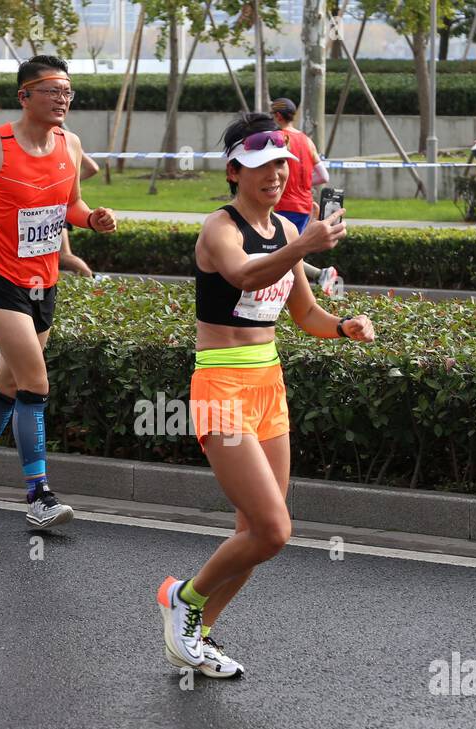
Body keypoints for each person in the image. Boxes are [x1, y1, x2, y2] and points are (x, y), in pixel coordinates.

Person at [157, 113, 374, 678]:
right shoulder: (219, 229)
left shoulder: (283, 232)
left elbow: (304, 313)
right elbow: (245, 277)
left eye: (281, 163)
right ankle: (184, 597)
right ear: (234, 171)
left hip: (267, 385)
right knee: (274, 530)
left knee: (252, 533)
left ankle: (197, 635)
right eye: (260, 166)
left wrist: (344, 325)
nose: (275, 174)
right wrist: (304, 243)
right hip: (220, 388)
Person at [0, 55, 117, 527]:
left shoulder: (70, 145)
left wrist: (91, 219)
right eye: (52, 90)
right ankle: (39, 495)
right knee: (35, 382)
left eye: (68, 92)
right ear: (25, 95)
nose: (62, 100)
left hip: (44, 282)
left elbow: (72, 204)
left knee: (9, 382)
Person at [270, 97, 338, 294]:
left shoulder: (279, 139)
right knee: (289, 252)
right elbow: (323, 175)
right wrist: (303, 184)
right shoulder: (307, 141)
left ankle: (319, 276)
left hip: (284, 205)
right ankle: (317, 277)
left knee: (281, 253)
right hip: (304, 206)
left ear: (277, 116)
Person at [60, 152, 102, 277]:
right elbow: (92, 168)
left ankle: (92, 279)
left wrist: (69, 183)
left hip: (56, 206)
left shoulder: (65, 140)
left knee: (62, 255)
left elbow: (93, 168)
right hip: (53, 205)